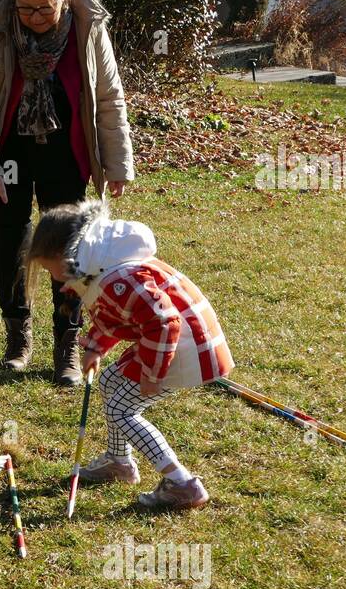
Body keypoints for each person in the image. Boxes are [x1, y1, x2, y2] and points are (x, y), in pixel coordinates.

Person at [0, 0, 135, 386]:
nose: (33, 18)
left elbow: (109, 100)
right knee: (10, 241)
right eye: (25, 9)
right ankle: (18, 340)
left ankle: (66, 345)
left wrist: (118, 164)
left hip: (65, 151)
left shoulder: (89, 30)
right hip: (6, 151)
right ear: (12, 1)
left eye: (44, 9)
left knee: (67, 246)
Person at [20, 198, 234, 510]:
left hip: (185, 349)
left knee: (122, 409)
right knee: (109, 383)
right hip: (166, 345)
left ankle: (182, 483)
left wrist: (151, 374)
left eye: (46, 265)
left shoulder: (120, 278)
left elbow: (164, 323)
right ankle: (119, 462)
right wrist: (94, 348)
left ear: (61, 254)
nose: (51, 275)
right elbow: (115, 315)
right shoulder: (100, 267)